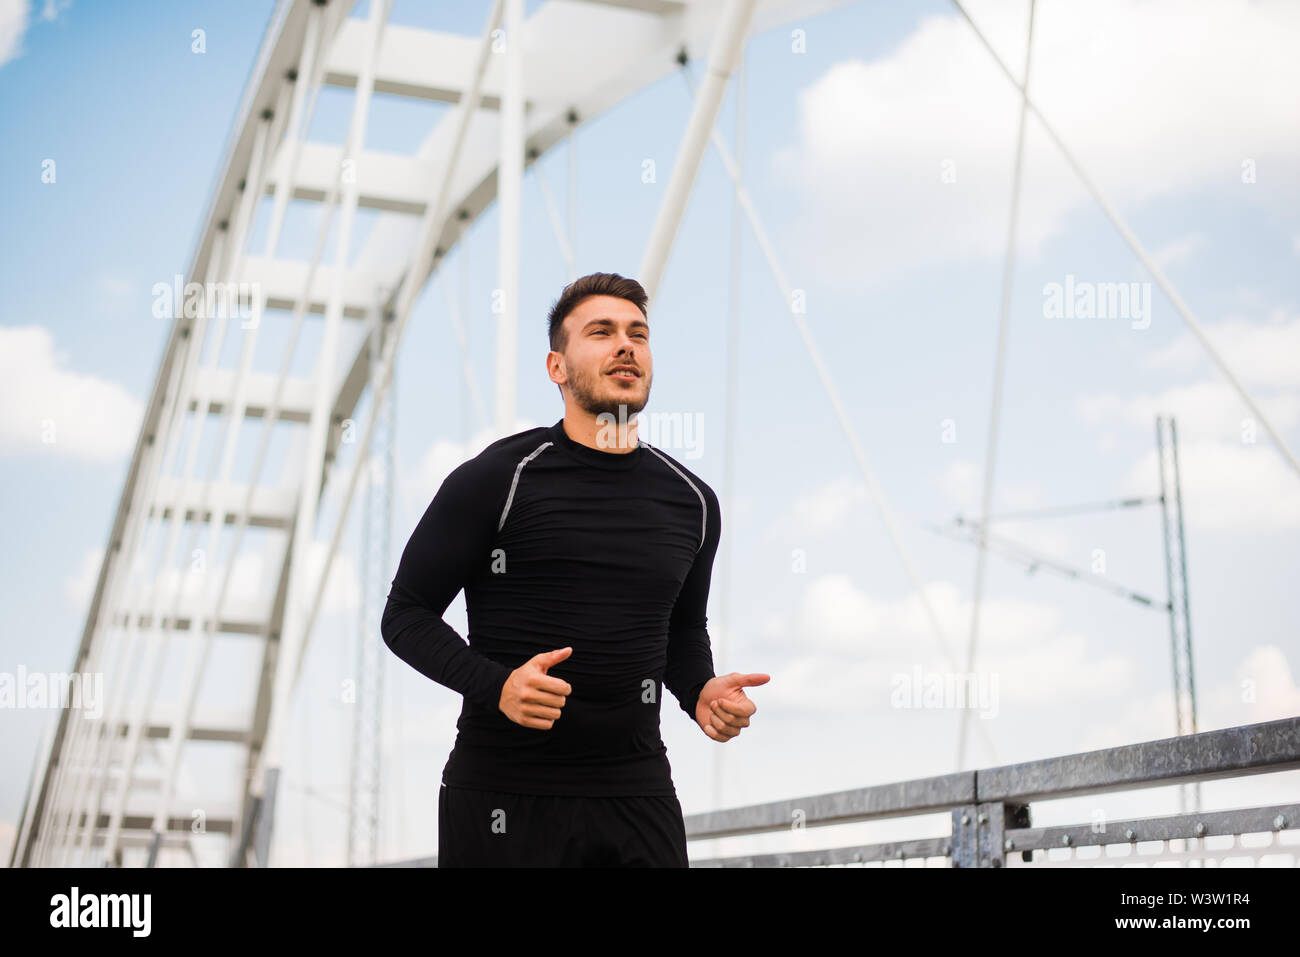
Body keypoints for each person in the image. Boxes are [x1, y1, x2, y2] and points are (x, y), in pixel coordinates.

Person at [381, 272, 769, 867]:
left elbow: (681, 630)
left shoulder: (692, 500)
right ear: (556, 366)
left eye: (638, 333)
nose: (625, 345)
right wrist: (498, 686)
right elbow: (405, 615)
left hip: (637, 794)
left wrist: (700, 692)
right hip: (501, 797)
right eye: (601, 331)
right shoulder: (497, 478)